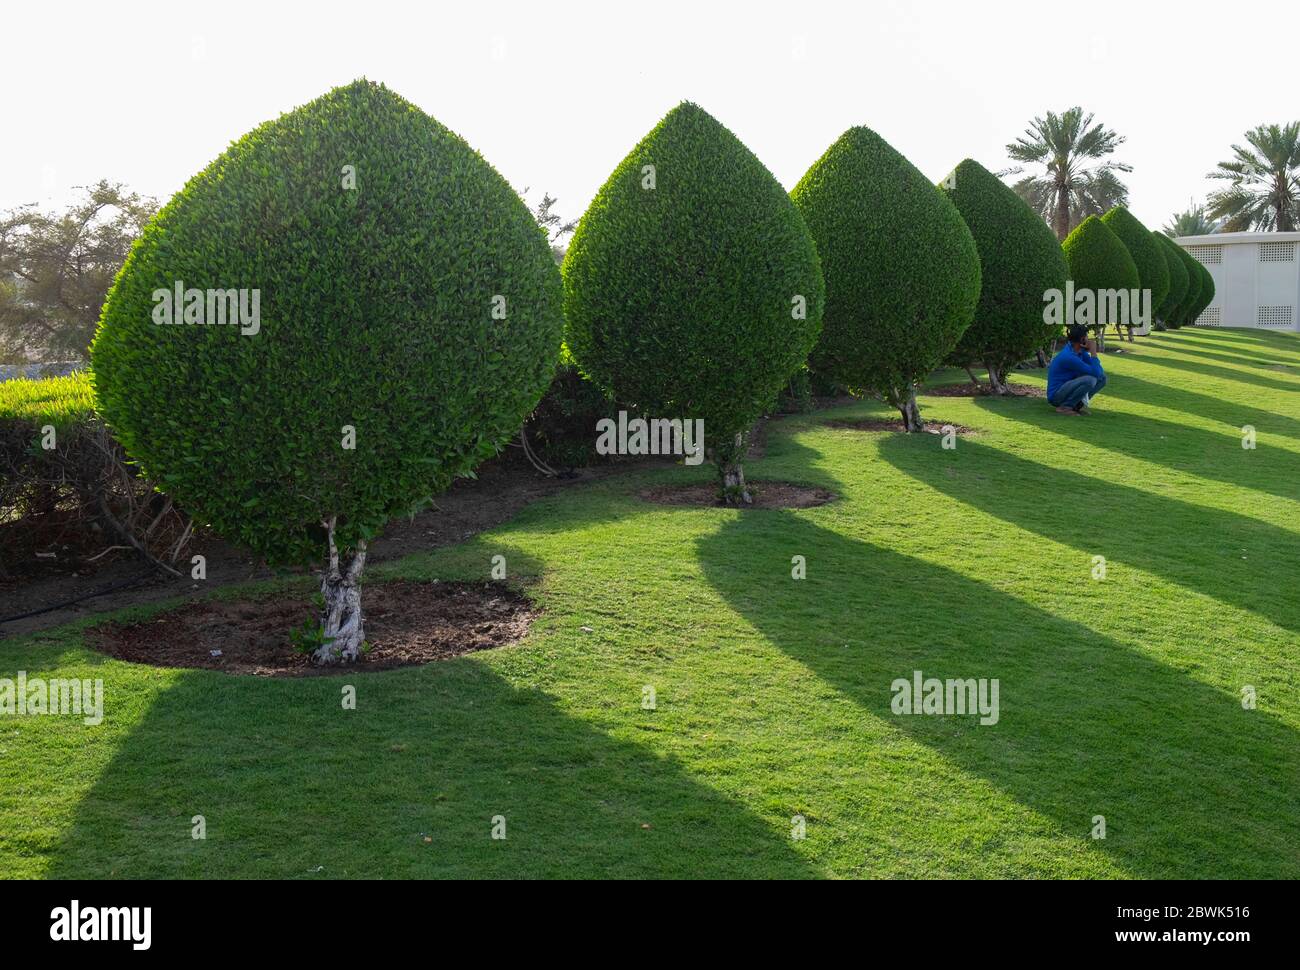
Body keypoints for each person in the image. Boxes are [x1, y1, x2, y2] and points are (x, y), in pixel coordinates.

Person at [1047, 324, 1107, 415]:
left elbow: (1099, 373)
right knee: (1090, 380)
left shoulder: (1079, 351)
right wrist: (1093, 352)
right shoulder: (1069, 356)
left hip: (1066, 390)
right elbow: (1095, 373)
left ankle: (1077, 405)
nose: (1089, 340)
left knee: (1102, 378)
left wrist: (1089, 352)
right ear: (1082, 339)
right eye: (1087, 337)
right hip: (1056, 396)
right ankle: (1065, 407)